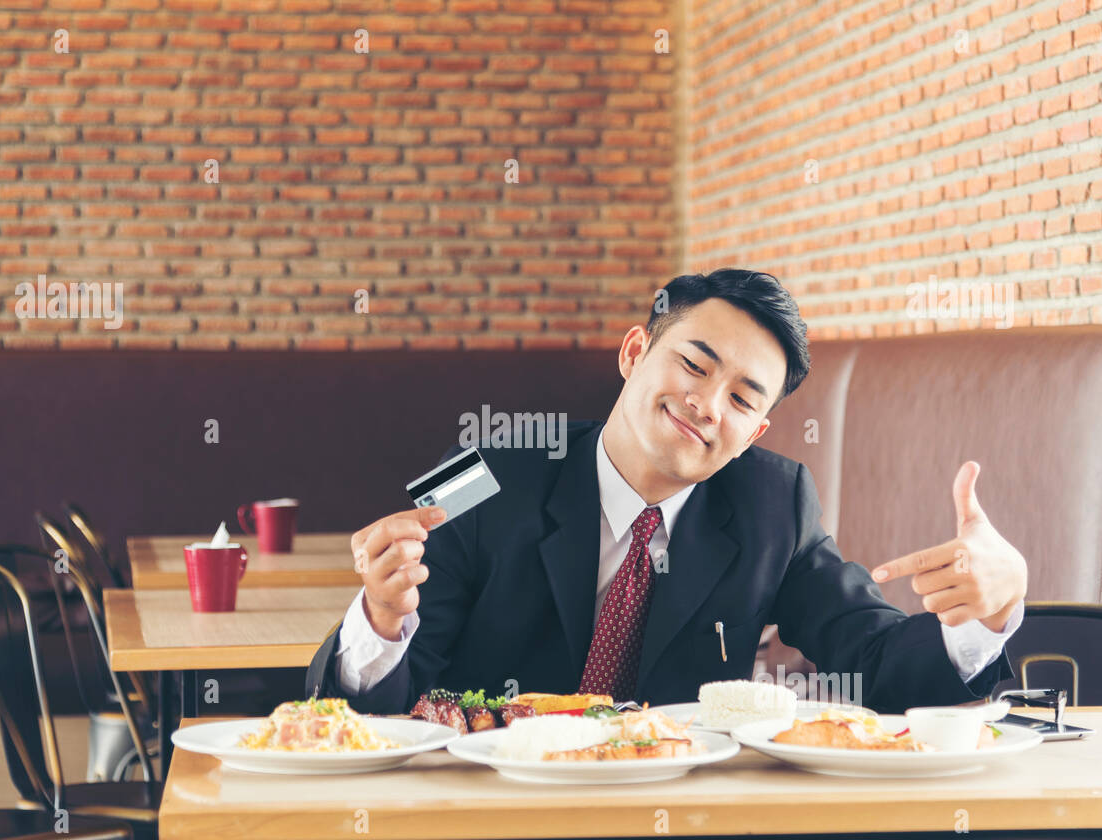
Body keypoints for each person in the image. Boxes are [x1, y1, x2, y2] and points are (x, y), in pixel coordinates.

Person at [305, 269, 1027, 714]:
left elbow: (873, 665)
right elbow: (371, 711)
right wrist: (378, 618)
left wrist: (985, 616)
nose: (709, 405)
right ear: (633, 352)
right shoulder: (477, 472)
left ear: (756, 429)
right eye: (694, 364)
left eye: (743, 400)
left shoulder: (778, 502)